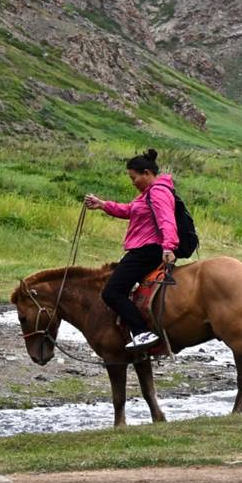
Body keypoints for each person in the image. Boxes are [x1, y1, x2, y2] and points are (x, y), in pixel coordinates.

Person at [83, 148, 179, 351]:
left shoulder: (158, 192)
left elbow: (166, 220)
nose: (132, 182)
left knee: (112, 291)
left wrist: (169, 246)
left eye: (133, 177)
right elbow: (129, 210)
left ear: (146, 173)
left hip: (147, 250)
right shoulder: (147, 194)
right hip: (144, 249)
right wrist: (103, 205)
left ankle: (141, 332)